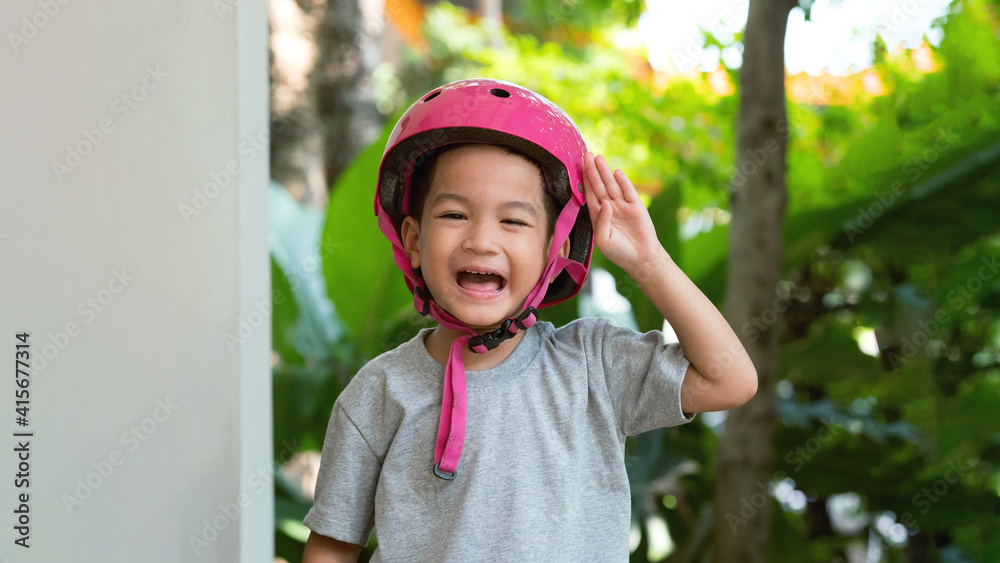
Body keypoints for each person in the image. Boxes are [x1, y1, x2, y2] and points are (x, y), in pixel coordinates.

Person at [301, 79, 757, 562]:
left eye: (513, 221)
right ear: (413, 240)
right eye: (455, 214)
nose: (481, 240)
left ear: (556, 251)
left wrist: (648, 262)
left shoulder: (593, 366)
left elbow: (730, 379)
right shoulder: (379, 391)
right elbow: (332, 545)